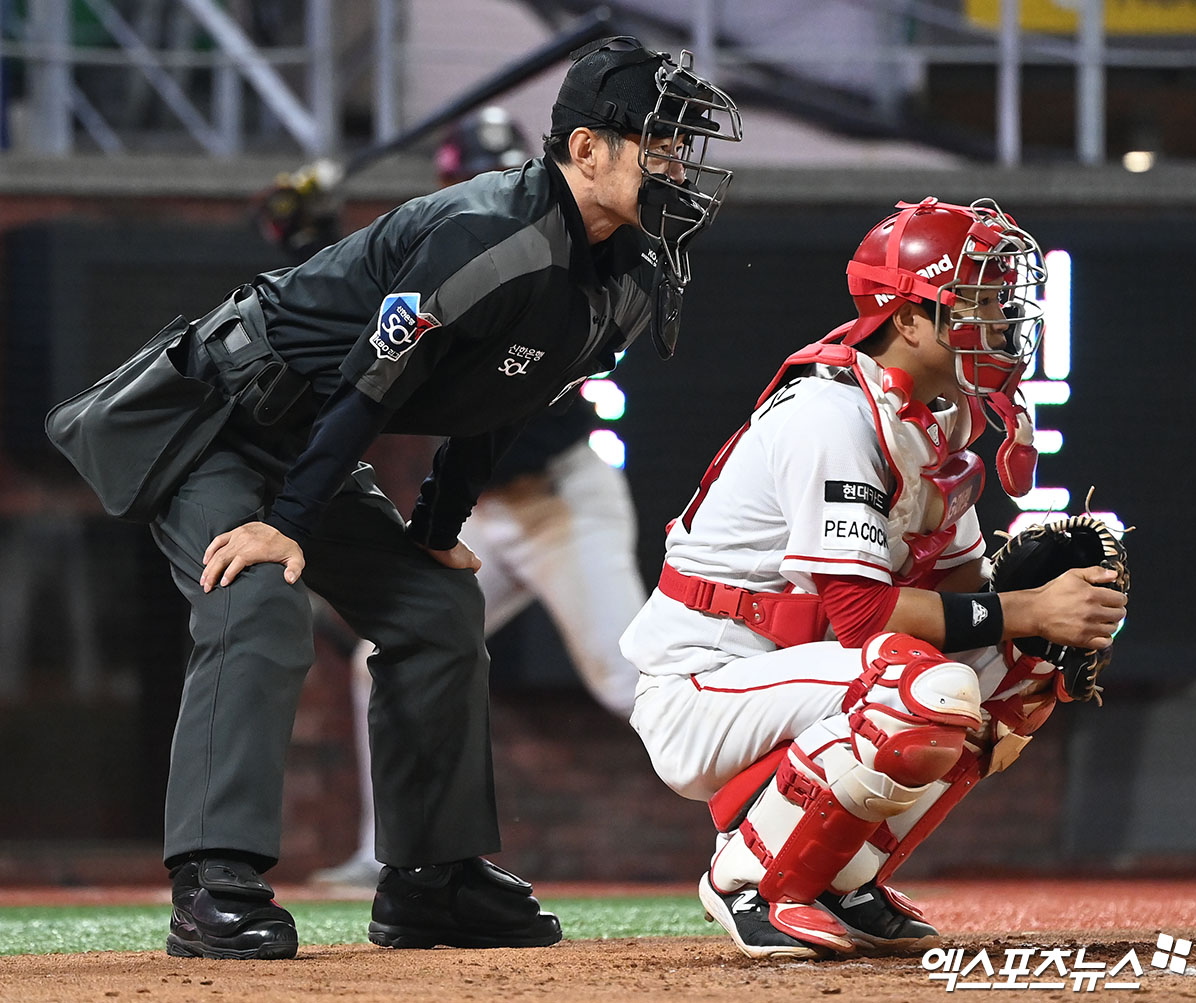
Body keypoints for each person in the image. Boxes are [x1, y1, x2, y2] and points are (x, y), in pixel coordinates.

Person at [44, 36, 742, 959]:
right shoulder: (488, 232)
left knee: (436, 603)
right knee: (256, 598)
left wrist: (437, 526)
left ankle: (430, 880)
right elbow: (371, 388)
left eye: (680, 147)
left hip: (309, 436)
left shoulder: (627, 278)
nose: (676, 167)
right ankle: (214, 879)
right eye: (657, 144)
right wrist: (285, 524)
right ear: (584, 150)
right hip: (218, 420)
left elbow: (502, 397)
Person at [619, 197, 1127, 960]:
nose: (1000, 318)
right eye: (978, 301)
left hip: (798, 670)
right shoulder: (834, 414)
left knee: (1020, 669)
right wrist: (1026, 604)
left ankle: (841, 876)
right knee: (919, 684)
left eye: (999, 299)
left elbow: (954, 591)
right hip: (705, 684)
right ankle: (750, 881)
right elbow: (863, 619)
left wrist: (1031, 615)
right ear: (911, 319)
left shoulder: (939, 414)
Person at [311, 107, 649, 889]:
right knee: (382, 654)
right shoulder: (453, 238)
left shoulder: (547, 252)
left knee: (628, 682)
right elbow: (366, 316)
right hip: (487, 511)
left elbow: (427, 358)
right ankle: (379, 847)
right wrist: (306, 236)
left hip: (563, 498)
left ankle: (776, 799)